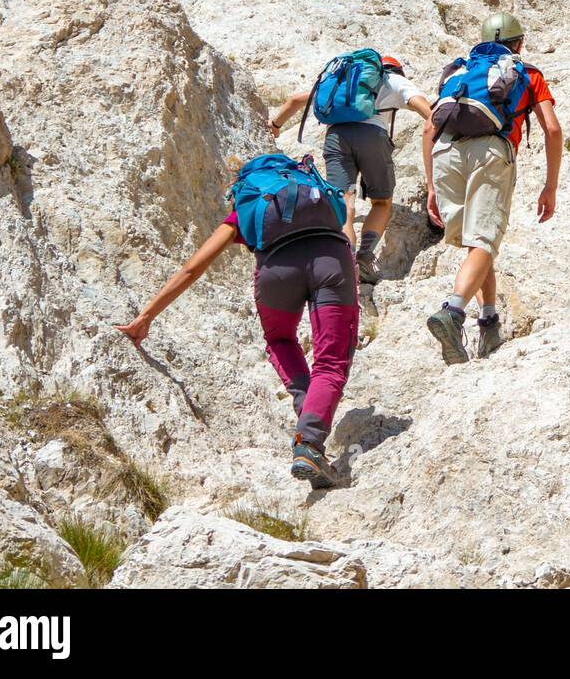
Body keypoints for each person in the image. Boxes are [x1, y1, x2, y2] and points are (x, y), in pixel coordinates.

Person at [116, 154, 357, 490]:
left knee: (281, 341)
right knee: (330, 361)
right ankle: (310, 442)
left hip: (276, 273)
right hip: (332, 261)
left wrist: (145, 317)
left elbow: (192, 268)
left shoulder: (248, 209)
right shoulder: (312, 190)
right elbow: (346, 229)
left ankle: (308, 427)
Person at [422, 11, 562, 364]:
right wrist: (551, 186)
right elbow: (553, 129)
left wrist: (431, 187)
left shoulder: (460, 70)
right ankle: (453, 312)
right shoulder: (527, 74)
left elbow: (428, 128)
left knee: (476, 243)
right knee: (484, 239)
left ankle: (489, 322)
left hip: (445, 151)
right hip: (490, 150)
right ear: (519, 43)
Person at [270, 55, 432, 284]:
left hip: (336, 136)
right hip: (372, 138)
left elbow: (296, 100)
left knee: (343, 202)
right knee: (381, 203)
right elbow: (420, 105)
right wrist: (438, 126)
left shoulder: (346, 84)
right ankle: (364, 256)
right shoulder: (393, 79)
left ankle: (345, 258)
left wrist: (274, 126)